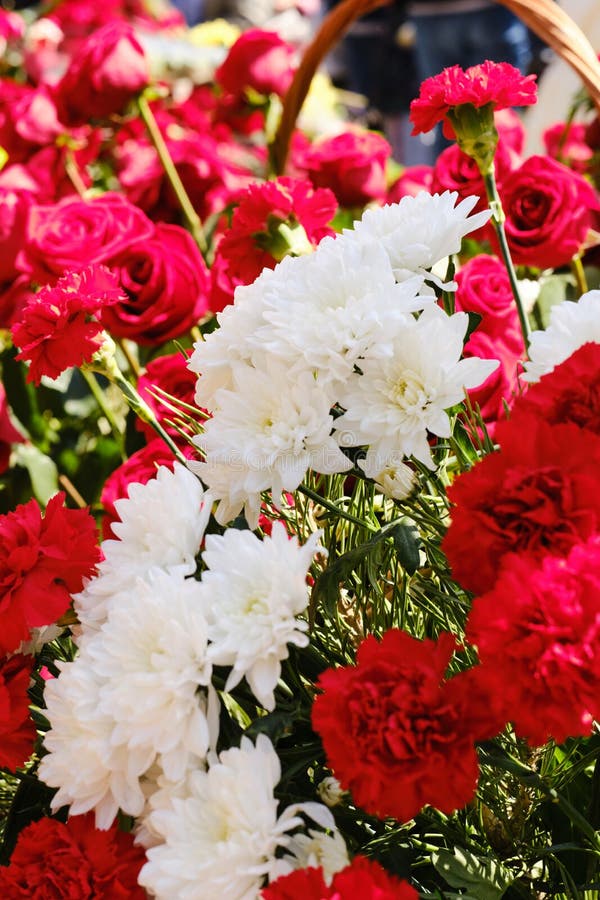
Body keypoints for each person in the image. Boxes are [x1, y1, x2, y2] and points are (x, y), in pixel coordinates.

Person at [407, 0, 532, 159]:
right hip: (489, 11)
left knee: (456, 125)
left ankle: (462, 180)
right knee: (501, 122)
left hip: (430, 15)